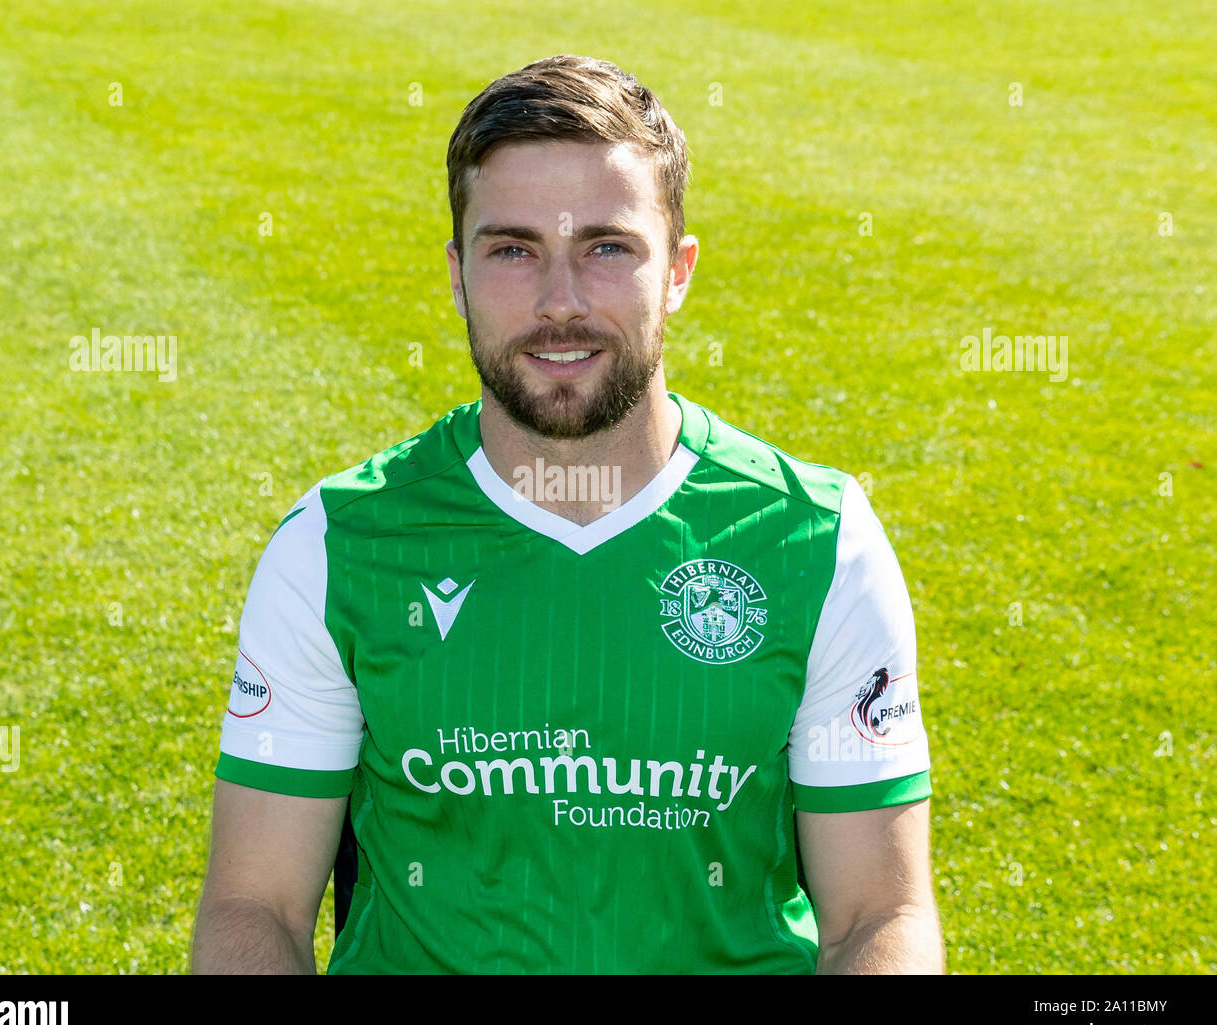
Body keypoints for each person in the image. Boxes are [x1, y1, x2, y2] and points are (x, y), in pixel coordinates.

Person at [191, 54, 944, 974]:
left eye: (606, 247)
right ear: (457, 274)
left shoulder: (815, 543)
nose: (560, 304)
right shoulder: (338, 546)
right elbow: (253, 907)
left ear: (677, 271)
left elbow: (877, 914)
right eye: (513, 250)